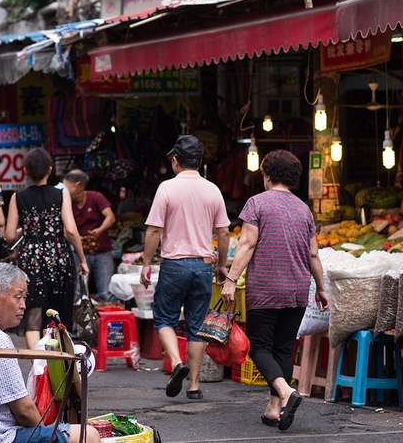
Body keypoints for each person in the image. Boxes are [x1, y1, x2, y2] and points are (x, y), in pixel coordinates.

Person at [221, 150, 328, 432]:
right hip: (298, 288)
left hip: (265, 288)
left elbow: (247, 243)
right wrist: (321, 288)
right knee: (283, 348)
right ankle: (273, 409)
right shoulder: (304, 209)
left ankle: (286, 392)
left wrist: (231, 279)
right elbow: (313, 255)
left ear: (267, 176)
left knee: (258, 347)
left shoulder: (257, 203)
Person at [0, 263, 100, 443]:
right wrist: (47, 434)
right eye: (18, 297)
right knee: (89, 435)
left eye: (24, 298)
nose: (23, 305)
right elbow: (24, 411)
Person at [140, 135, 230, 400]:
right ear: (199, 162)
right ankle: (194, 386)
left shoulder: (166, 188)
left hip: (174, 265)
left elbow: (153, 230)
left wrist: (146, 263)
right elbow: (224, 232)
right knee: (197, 326)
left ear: (175, 161)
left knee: (164, 319)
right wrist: (222, 265)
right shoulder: (212, 190)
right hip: (203, 266)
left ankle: (177, 362)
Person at [3, 148, 89, 348]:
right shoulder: (61, 193)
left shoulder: (18, 197)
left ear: (25, 171)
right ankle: (54, 359)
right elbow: (71, 230)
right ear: (50, 169)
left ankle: (37, 362)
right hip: (58, 257)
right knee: (57, 313)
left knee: (33, 313)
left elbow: (9, 236)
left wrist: (27, 228)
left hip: (30, 259)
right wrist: (82, 259)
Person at [62, 169, 117, 301]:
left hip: (102, 252)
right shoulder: (66, 202)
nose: (64, 190)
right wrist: (76, 239)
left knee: (105, 292)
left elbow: (110, 217)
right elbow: (64, 229)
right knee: (77, 293)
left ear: (77, 185)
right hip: (78, 252)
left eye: (66, 186)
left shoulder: (96, 197)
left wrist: (99, 230)